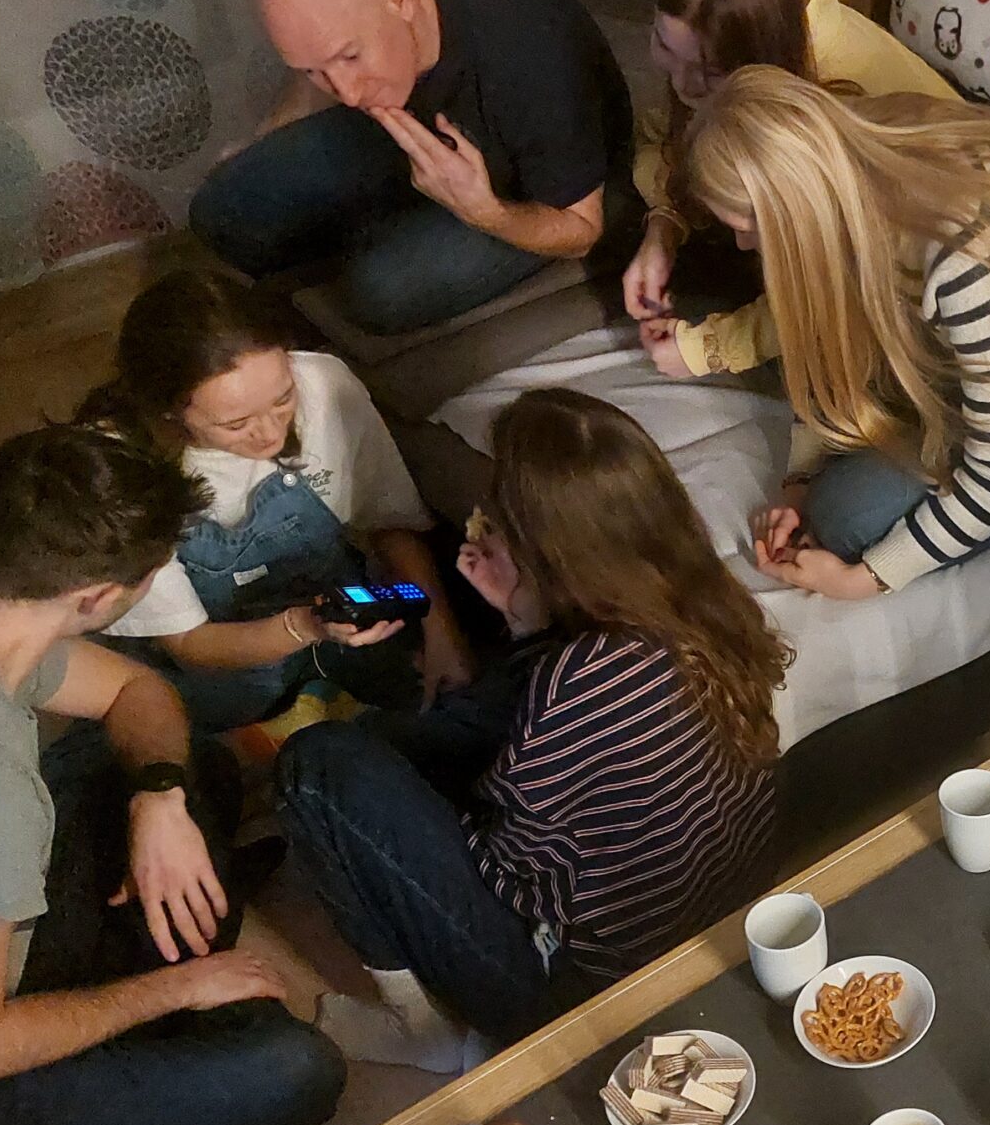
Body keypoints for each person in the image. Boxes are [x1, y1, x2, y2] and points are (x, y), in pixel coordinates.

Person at [0, 429, 343, 1125]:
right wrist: (173, 990)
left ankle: (135, 993)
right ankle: (147, 1026)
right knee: (294, 1069)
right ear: (95, 599)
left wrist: (157, 799)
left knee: (192, 768)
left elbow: (138, 693)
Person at [277, 389, 789, 1072]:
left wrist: (441, 816)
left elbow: (510, 869)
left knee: (317, 766)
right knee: (421, 733)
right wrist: (520, 615)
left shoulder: (578, 679)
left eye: (500, 518)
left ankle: (427, 1033)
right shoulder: (700, 595)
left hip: (588, 986)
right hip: (712, 910)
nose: (484, 524)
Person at [678, 66, 990, 597]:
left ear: (798, 212)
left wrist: (866, 579)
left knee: (848, 522)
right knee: (829, 479)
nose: (743, 246)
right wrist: (798, 481)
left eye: (746, 227)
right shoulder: (852, 154)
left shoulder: (966, 257)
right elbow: (827, 332)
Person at [189, 0, 634, 335]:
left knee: (377, 292)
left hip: (526, 192)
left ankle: (376, 248)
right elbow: (318, 56)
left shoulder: (530, 53)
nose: (345, 92)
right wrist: (268, 136)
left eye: (350, 56)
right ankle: (365, 241)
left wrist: (484, 212)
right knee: (223, 209)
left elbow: (582, 228)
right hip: (412, 135)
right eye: (313, 70)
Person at [75, 269, 471, 732]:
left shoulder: (324, 383)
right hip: (215, 651)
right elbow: (185, 640)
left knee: (449, 712)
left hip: (332, 615)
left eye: (283, 400)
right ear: (168, 411)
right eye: (236, 424)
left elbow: (387, 522)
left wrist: (443, 633)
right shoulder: (119, 467)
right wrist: (302, 627)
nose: (270, 433)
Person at [621, 0, 954, 383]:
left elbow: (833, 277)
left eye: (709, 72)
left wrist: (711, 349)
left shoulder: (836, 104)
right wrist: (663, 226)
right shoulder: (729, 10)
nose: (683, 85)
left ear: (763, 64)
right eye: (663, 44)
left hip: (925, 274)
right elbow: (663, 133)